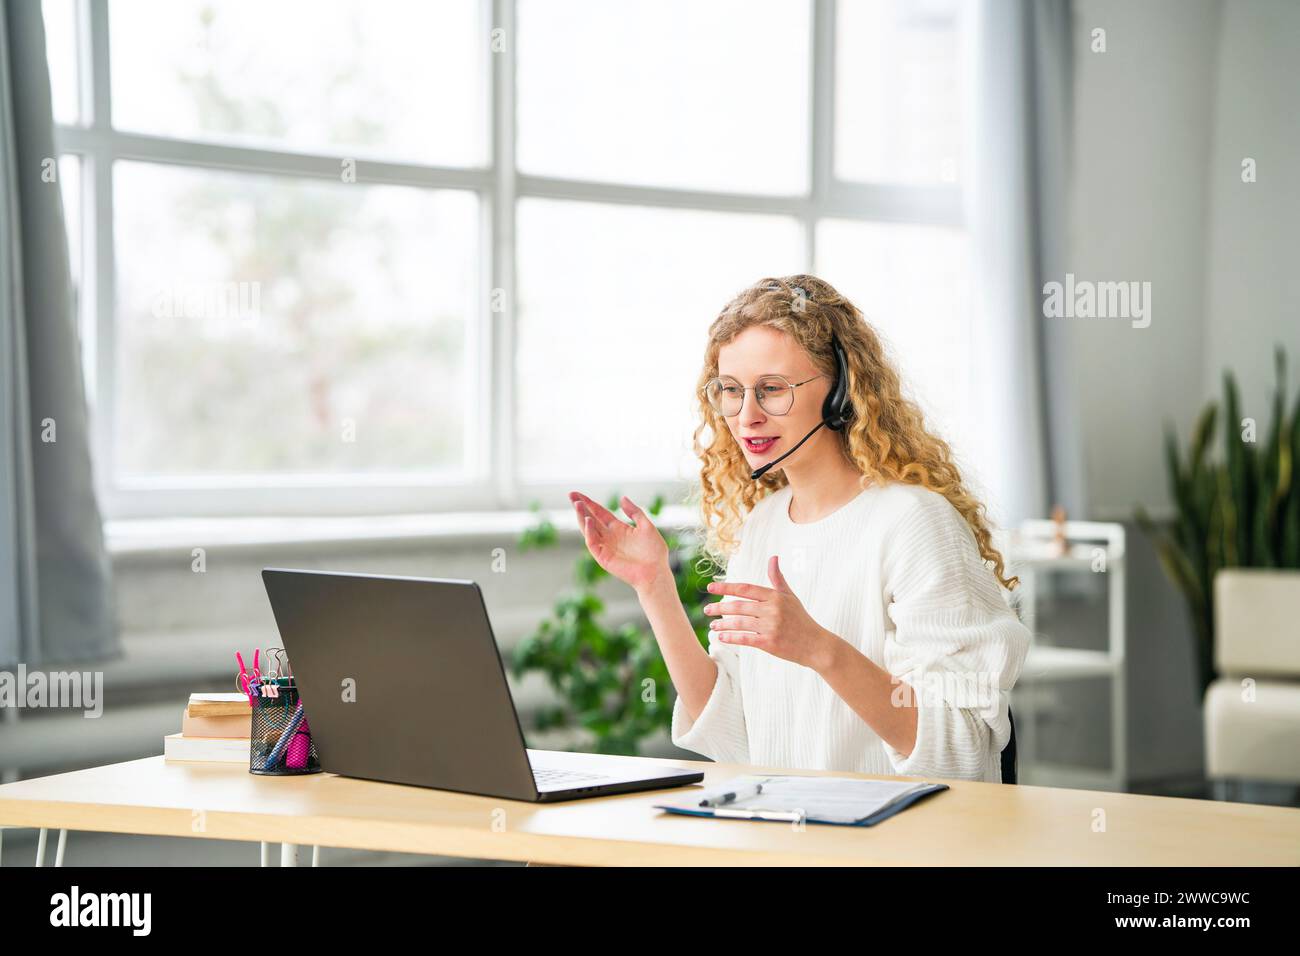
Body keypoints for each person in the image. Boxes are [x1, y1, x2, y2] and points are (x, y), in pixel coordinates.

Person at [568, 274, 1029, 781]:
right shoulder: (764, 525)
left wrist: (817, 647)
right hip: (786, 832)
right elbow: (732, 735)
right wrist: (653, 585)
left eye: (771, 390)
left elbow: (960, 748)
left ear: (842, 392)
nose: (746, 416)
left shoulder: (913, 522)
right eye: (730, 390)